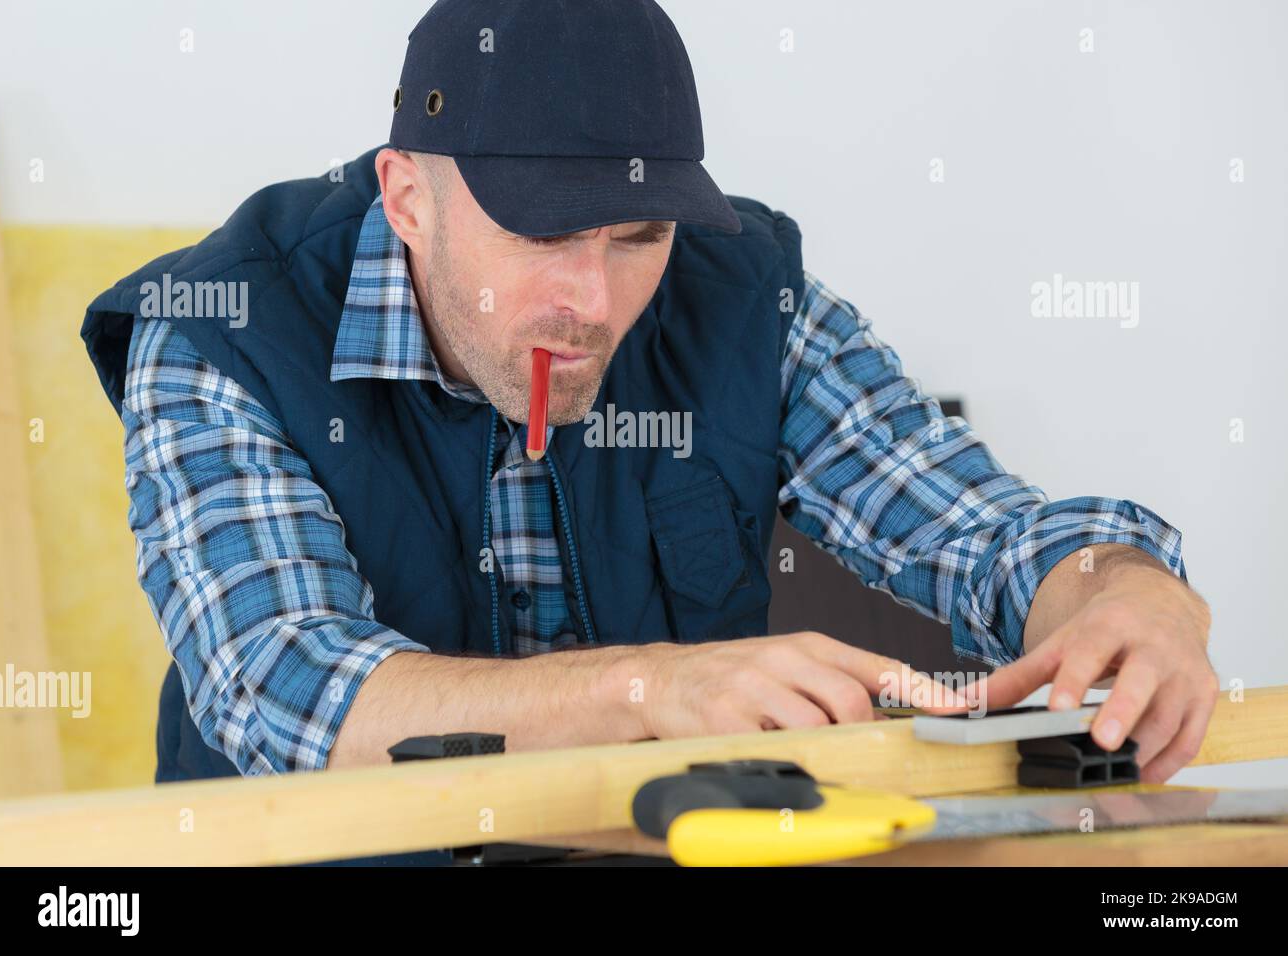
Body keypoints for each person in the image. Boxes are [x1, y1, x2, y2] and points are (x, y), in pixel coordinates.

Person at [81, 0, 1214, 786]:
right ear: (406, 196)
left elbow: (977, 529)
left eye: (637, 235)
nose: (592, 296)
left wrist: (1124, 590)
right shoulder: (216, 333)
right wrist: (645, 690)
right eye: (543, 231)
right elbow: (287, 688)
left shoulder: (743, 295)